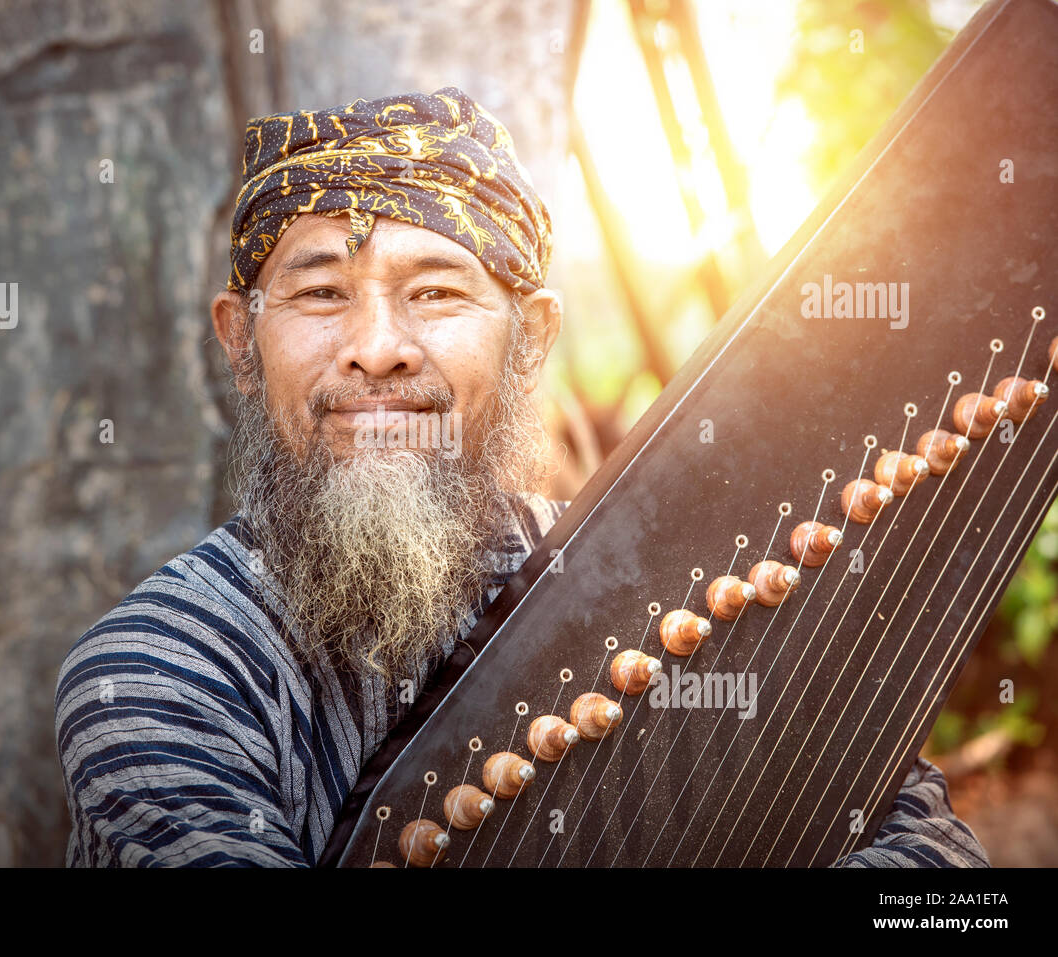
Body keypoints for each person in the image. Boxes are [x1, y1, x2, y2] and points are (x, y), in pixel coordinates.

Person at [53, 87, 987, 868]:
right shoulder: (154, 677)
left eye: (437, 292)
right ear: (240, 345)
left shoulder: (671, 582)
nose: (376, 349)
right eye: (321, 293)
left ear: (530, 338)